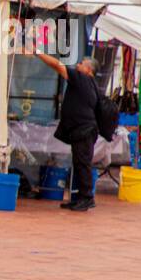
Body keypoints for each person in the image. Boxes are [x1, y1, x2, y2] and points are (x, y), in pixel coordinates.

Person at [36, 52, 100, 211]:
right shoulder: (90, 83)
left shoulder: (82, 79)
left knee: (83, 163)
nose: (78, 66)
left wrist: (37, 52)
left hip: (84, 131)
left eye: (81, 64)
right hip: (83, 131)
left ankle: (87, 198)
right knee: (79, 163)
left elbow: (57, 65)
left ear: (89, 70)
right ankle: (79, 197)